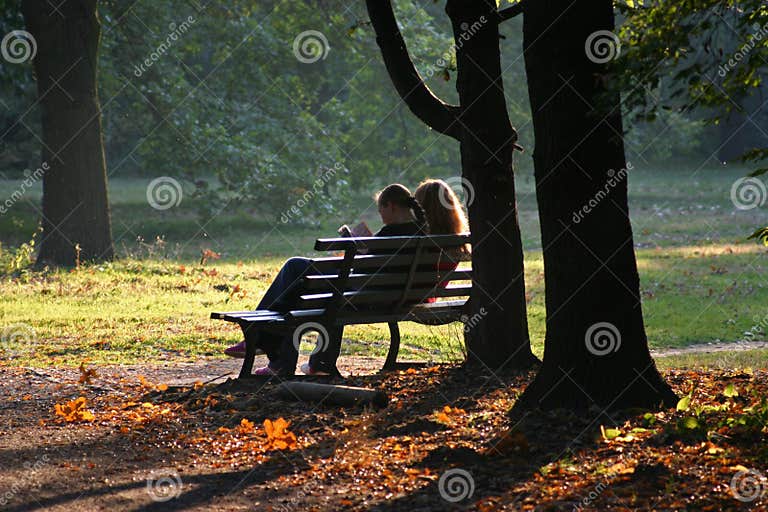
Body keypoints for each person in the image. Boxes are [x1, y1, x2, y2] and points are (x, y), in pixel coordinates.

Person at [224, 183, 427, 376]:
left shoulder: (389, 234)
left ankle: (265, 344)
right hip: (387, 299)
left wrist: (354, 245)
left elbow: (362, 268)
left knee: (295, 267)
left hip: (362, 297)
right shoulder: (422, 234)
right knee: (303, 290)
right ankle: (317, 363)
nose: (380, 215)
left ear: (390, 206)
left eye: (380, 210)